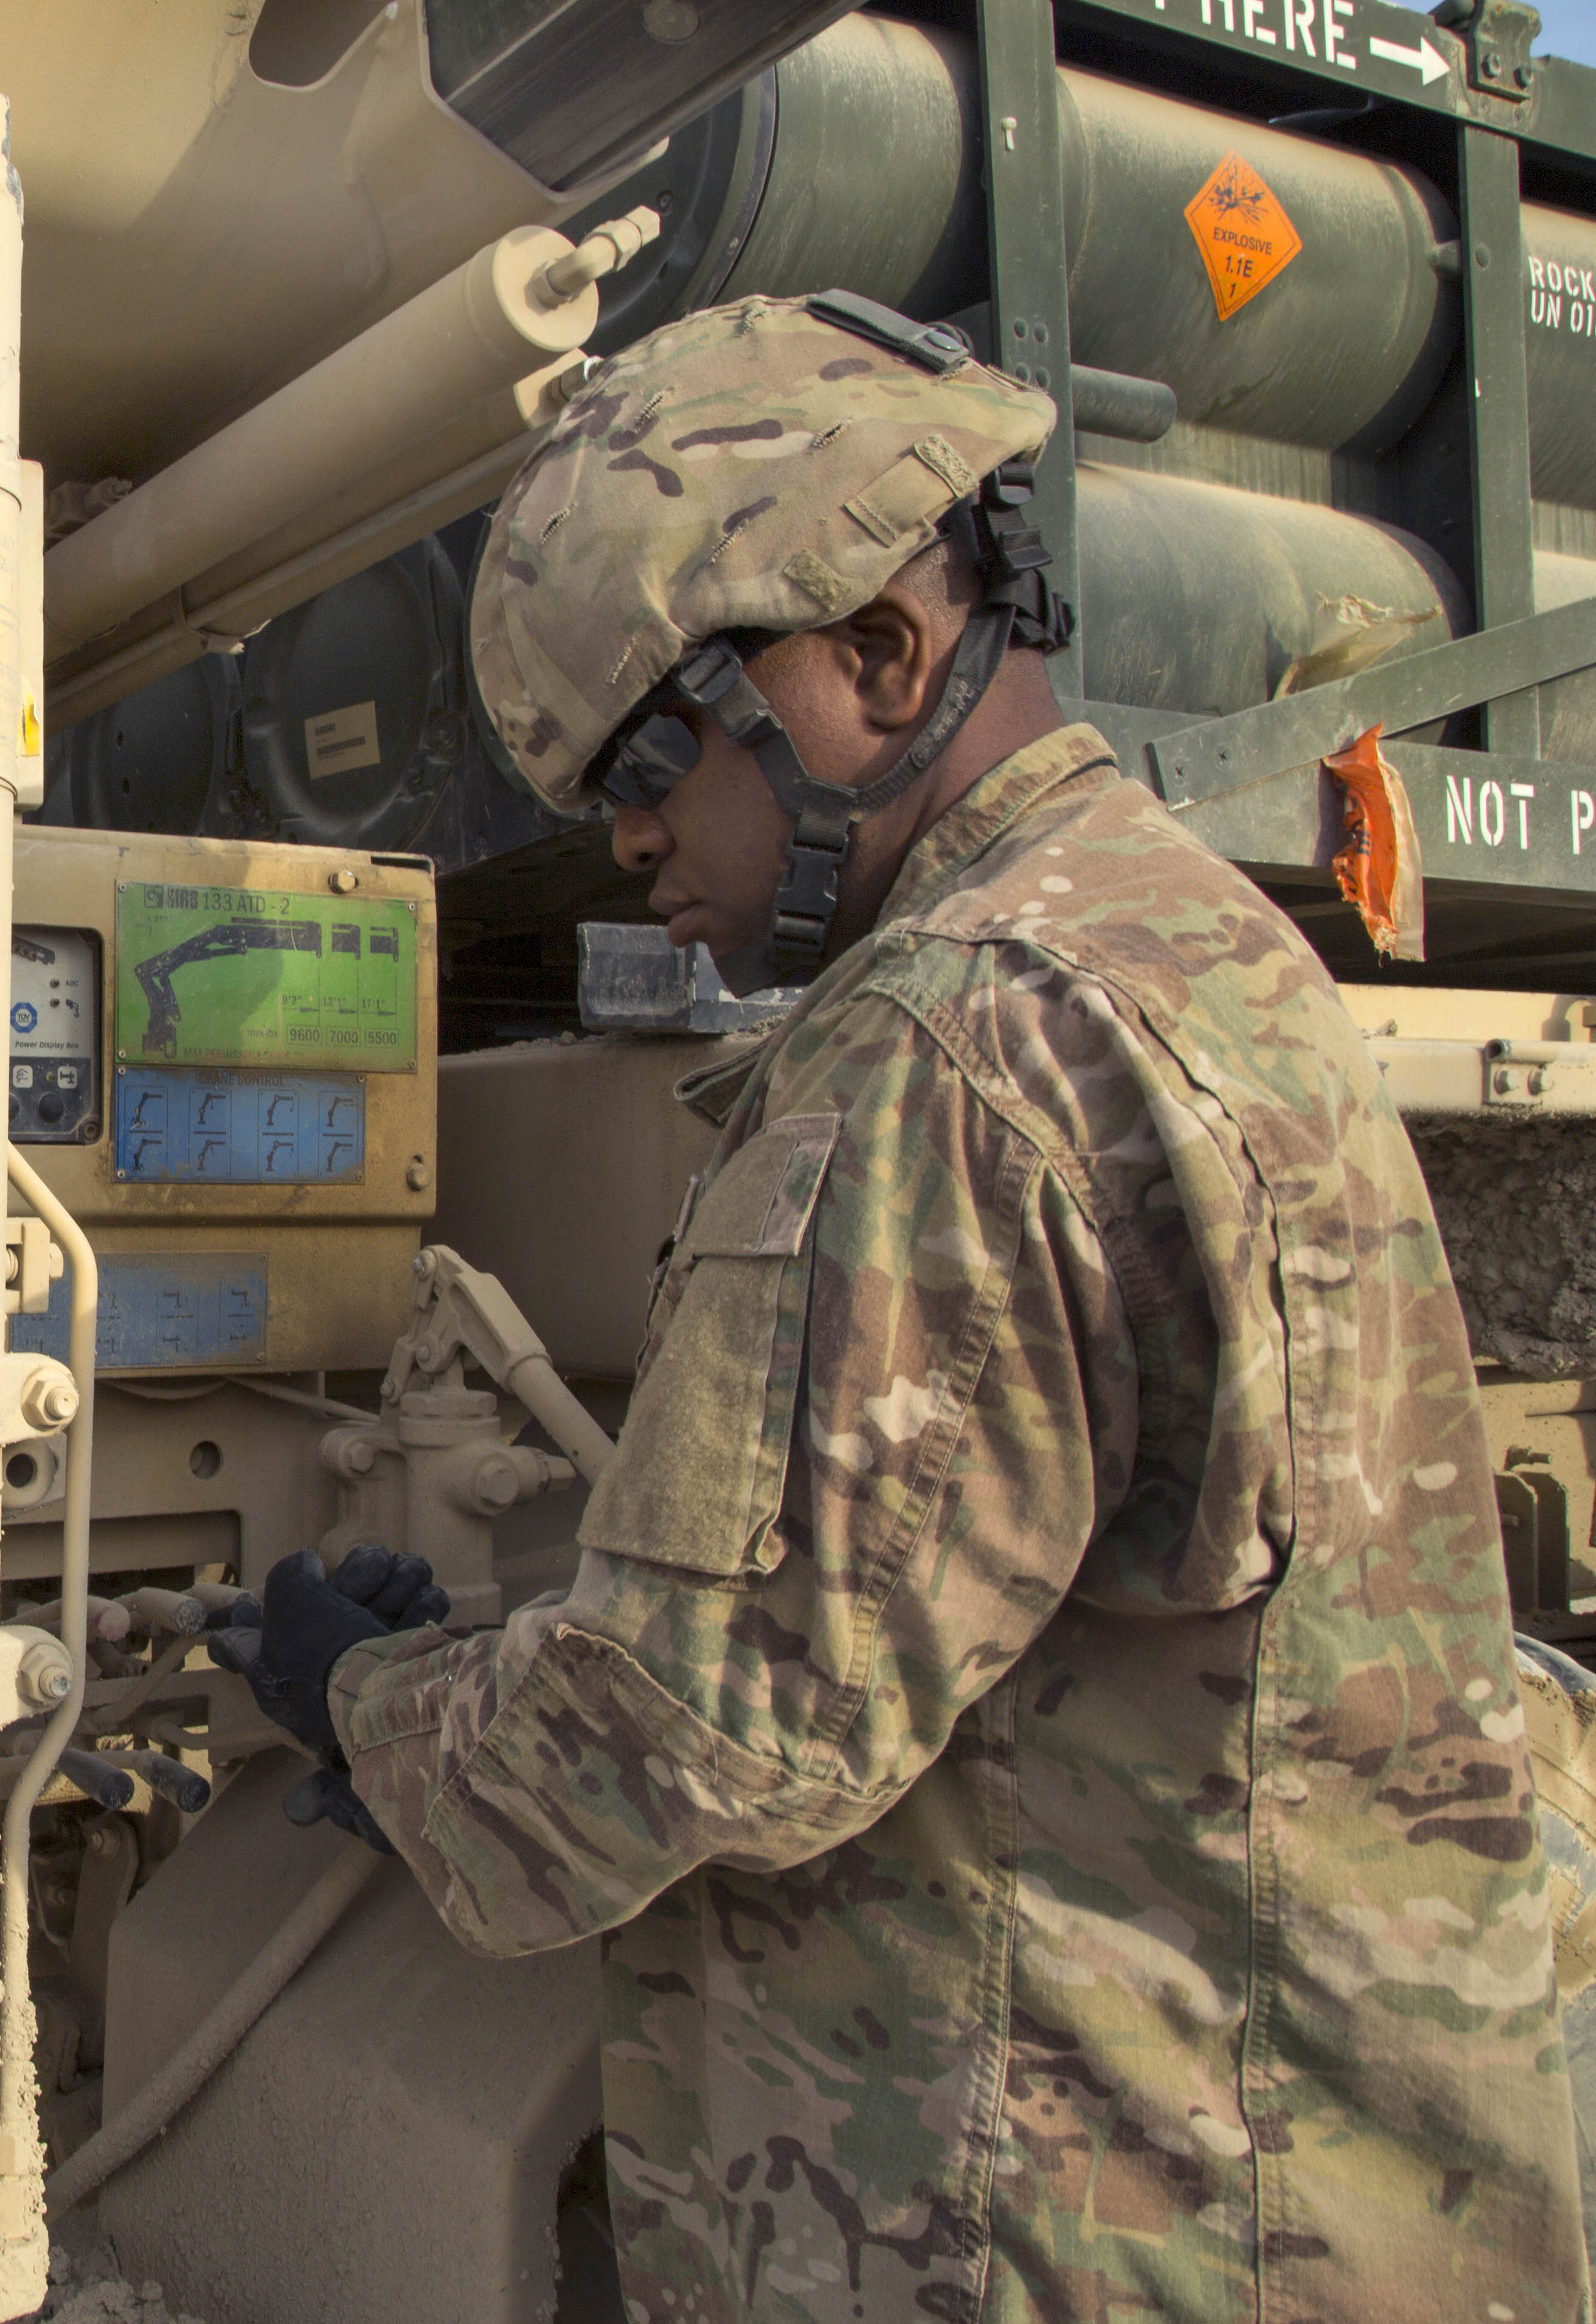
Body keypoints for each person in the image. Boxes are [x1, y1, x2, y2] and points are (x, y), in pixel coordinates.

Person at [220, 295, 1587, 2317]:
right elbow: (974, 1595)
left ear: (879, 652)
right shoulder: (1183, 937)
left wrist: (360, 1701)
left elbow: (709, 1732)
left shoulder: (948, 1049)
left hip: (1067, 2212)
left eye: (655, 754)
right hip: (1276, 2160)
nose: (623, 838)